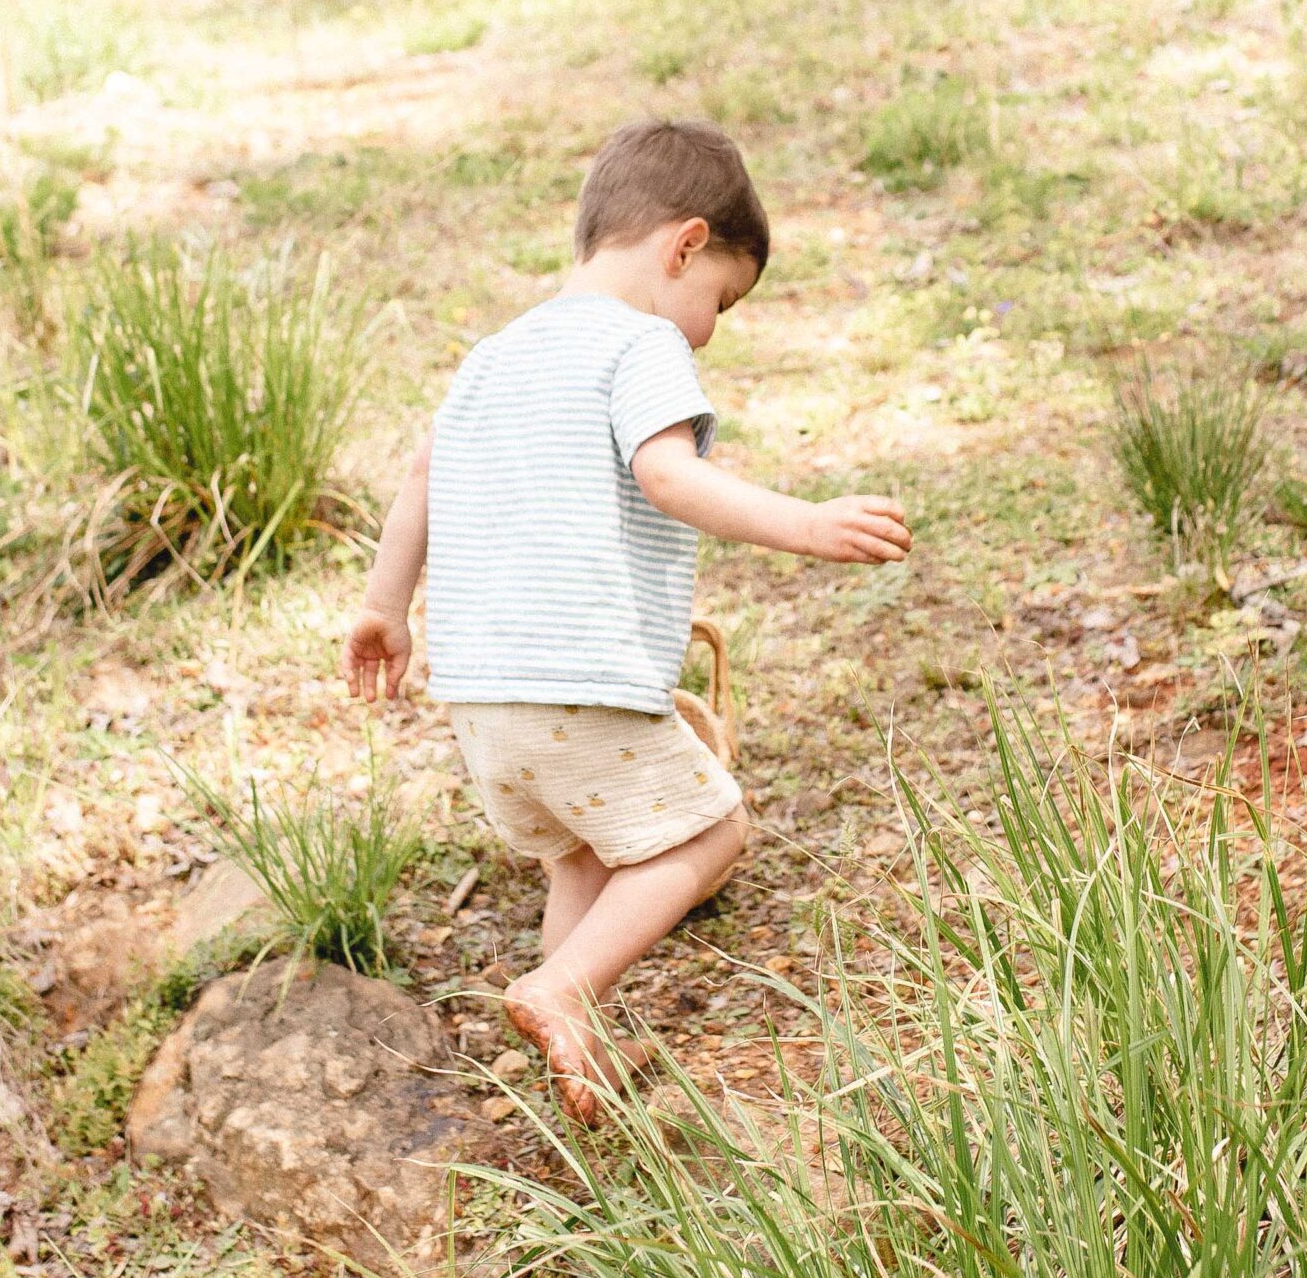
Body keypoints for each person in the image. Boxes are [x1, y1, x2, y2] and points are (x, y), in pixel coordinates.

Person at [341, 118, 911, 1120]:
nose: (708, 328)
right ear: (682, 245)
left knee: (585, 853)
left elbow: (423, 474)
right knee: (713, 829)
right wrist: (806, 525)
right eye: (719, 299)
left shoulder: (490, 354)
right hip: (579, 683)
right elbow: (664, 473)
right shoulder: (640, 340)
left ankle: (579, 1044)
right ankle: (559, 988)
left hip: (478, 699)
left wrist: (383, 607)